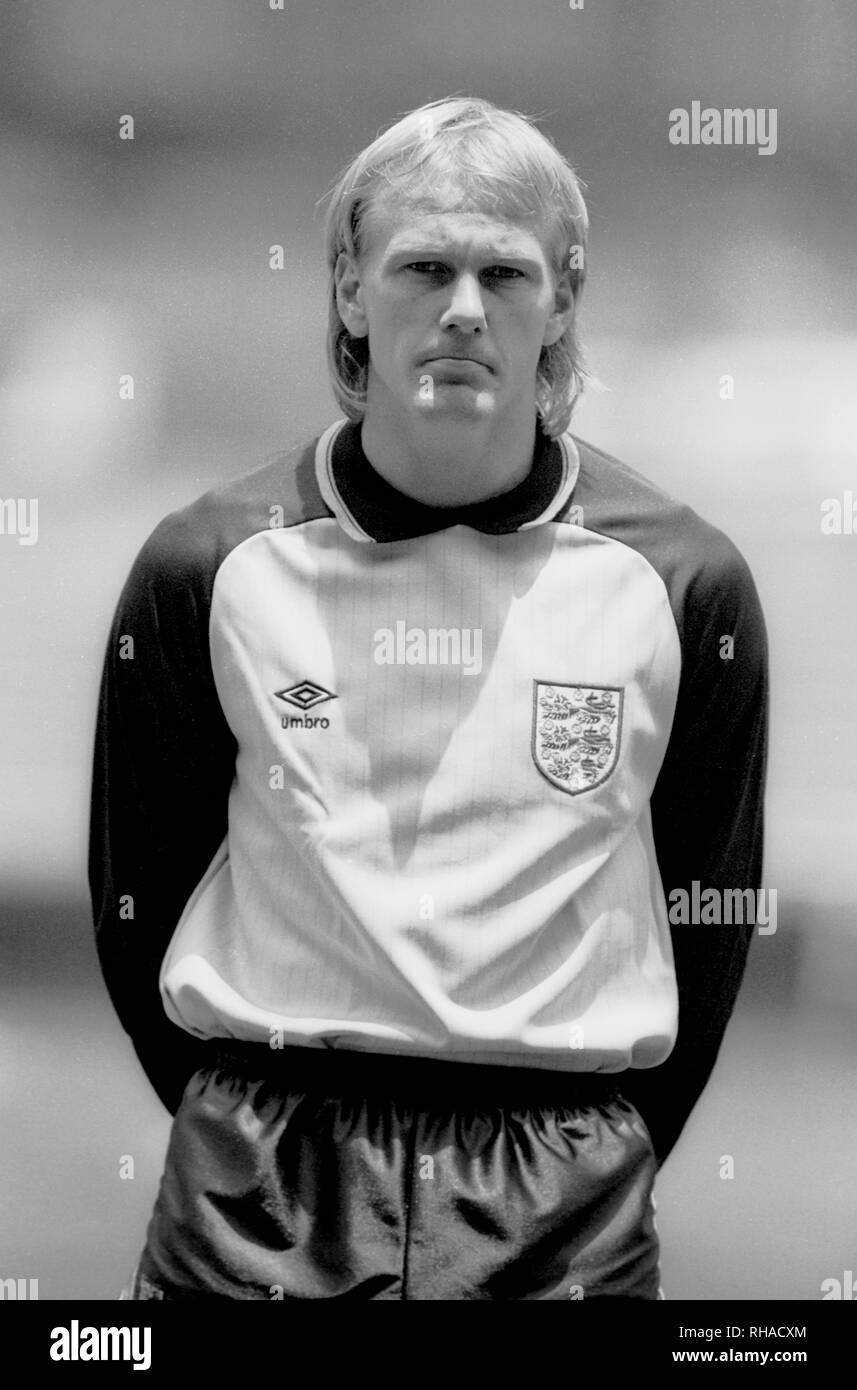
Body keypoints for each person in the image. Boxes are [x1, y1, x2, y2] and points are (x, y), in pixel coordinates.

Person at [90, 95, 769, 1301]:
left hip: (560, 1198)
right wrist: (250, 1110)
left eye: (504, 273)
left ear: (561, 296)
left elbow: (704, 913)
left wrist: (593, 1145)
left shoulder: (681, 583)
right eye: (422, 266)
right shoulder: (207, 565)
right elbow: (136, 894)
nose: (463, 308)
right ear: (351, 289)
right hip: (258, 1184)